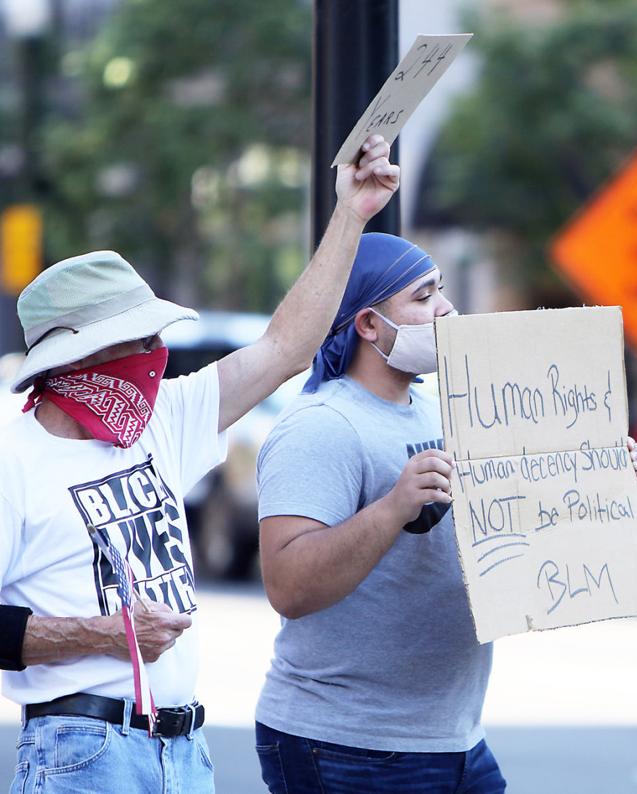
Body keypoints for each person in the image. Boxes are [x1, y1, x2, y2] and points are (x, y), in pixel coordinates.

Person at [0, 134, 399, 793]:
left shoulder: (161, 420)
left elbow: (285, 348)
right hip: (80, 748)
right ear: (73, 359)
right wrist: (107, 636)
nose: (156, 353)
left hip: (183, 749)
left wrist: (350, 214)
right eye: (135, 342)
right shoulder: (14, 458)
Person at [253, 234, 637, 794]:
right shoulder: (321, 426)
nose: (446, 309)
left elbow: (519, 521)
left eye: (442, 290)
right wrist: (394, 507)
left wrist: (601, 474)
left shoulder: (446, 408)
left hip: (453, 737)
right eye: (423, 296)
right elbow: (288, 586)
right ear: (369, 325)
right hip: (346, 744)